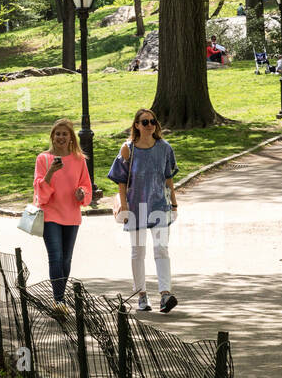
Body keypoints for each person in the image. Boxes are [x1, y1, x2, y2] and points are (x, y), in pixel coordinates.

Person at [109, 108, 179, 314]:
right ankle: (141, 294)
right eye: (144, 122)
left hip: (160, 205)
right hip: (136, 206)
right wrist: (124, 205)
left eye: (152, 122)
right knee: (138, 252)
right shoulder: (128, 149)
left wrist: (174, 204)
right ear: (137, 126)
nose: (149, 125)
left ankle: (165, 294)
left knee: (162, 250)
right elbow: (121, 181)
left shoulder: (165, 148)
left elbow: (169, 178)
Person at [33, 118, 94, 314]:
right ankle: (59, 301)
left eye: (64, 134)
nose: (60, 137)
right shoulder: (43, 159)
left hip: (71, 215)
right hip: (50, 214)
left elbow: (86, 185)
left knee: (66, 260)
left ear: (71, 138)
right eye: (57, 134)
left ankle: (59, 299)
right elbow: (40, 192)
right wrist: (50, 172)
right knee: (56, 258)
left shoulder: (79, 160)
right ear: (52, 137)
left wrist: (82, 193)